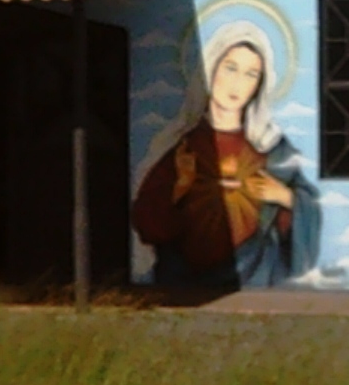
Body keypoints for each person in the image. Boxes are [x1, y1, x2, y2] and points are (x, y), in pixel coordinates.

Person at [132, 24, 316, 289]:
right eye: (230, 68)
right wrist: (179, 188)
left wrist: (285, 197)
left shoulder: (271, 147)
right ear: (211, 71)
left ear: (259, 85)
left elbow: (301, 214)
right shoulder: (182, 146)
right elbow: (148, 221)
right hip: (186, 277)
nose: (237, 84)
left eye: (251, 74)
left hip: (259, 273)